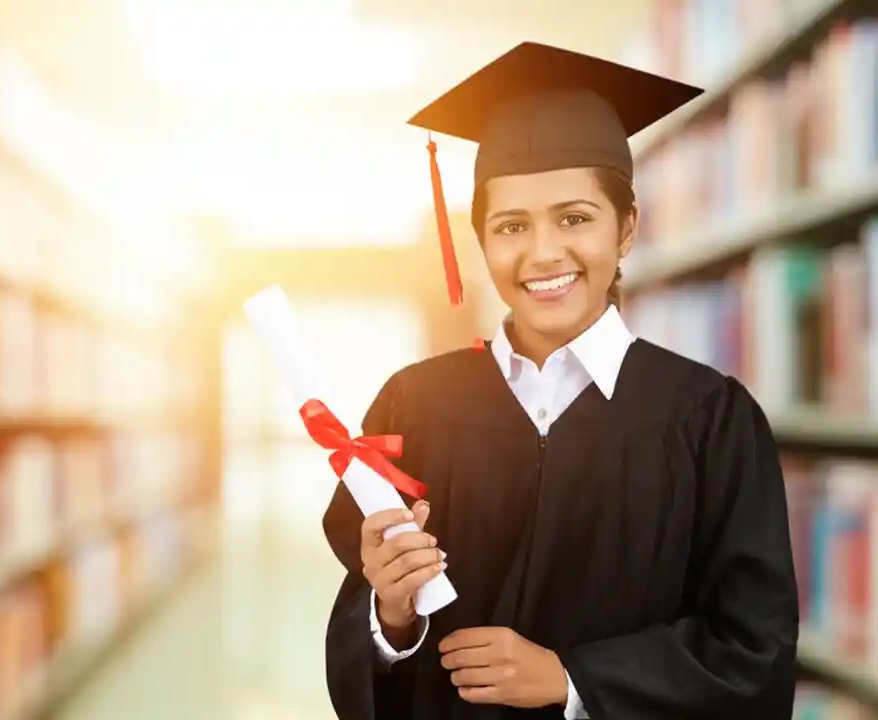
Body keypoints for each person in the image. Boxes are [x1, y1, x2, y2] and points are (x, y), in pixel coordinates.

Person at [321, 43, 800, 719]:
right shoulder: (414, 406)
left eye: (575, 218)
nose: (543, 253)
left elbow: (755, 651)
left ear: (627, 227)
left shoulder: (708, 418)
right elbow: (359, 631)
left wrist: (575, 679)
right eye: (511, 226)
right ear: (482, 242)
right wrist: (391, 616)